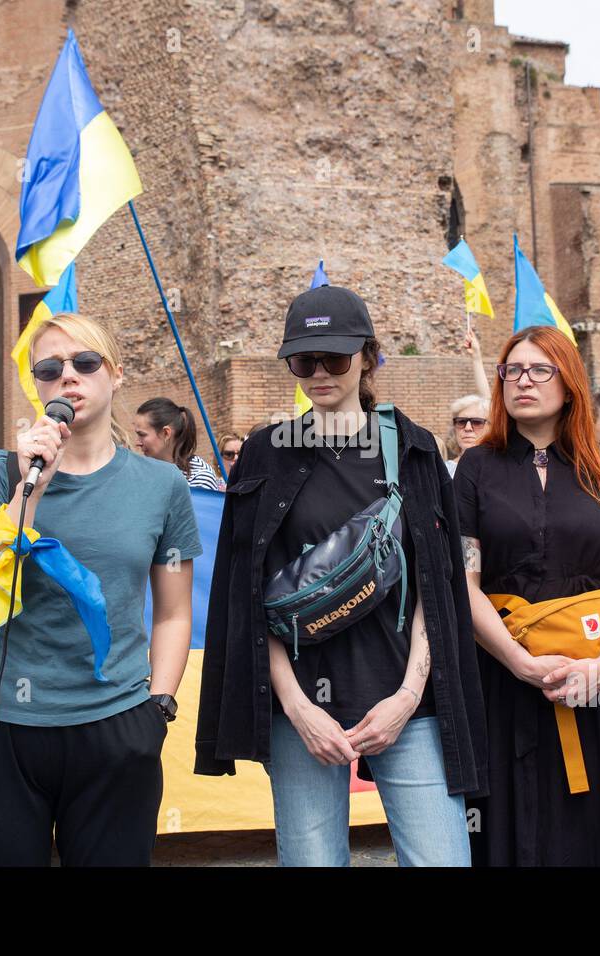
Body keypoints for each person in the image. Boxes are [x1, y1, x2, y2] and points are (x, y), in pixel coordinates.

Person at [196, 283, 488, 867]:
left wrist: (407, 696)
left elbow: (439, 582)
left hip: (409, 699)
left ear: (369, 356)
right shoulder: (265, 453)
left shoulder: (415, 448)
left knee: (442, 858)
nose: (320, 372)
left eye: (336, 357)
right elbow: (247, 599)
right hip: (301, 703)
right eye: (305, 360)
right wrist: (299, 708)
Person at [0, 312, 200, 866]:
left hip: (116, 727)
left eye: (85, 363)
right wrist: (28, 492)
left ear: (116, 373)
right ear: (36, 385)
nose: (68, 377)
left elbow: (174, 612)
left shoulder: (161, 485)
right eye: (50, 368)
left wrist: (158, 707)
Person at [455, 325, 600, 866]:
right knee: (515, 817)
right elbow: (464, 579)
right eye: (512, 370)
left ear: (568, 381)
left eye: (539, 370)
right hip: (505, 676)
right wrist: (521, 662)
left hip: (599, 675)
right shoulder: (476, 468)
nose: (523, 381)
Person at [133, 398, 224, 490]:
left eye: (142, 435)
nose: (137, 443)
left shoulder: (198, 478)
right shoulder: (142, 472)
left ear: (166, 433)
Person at [445, 394, 489, 478]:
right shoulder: (444, 471)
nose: (467, 428)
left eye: (477, 422)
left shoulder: (501, 467)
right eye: (461, 421)